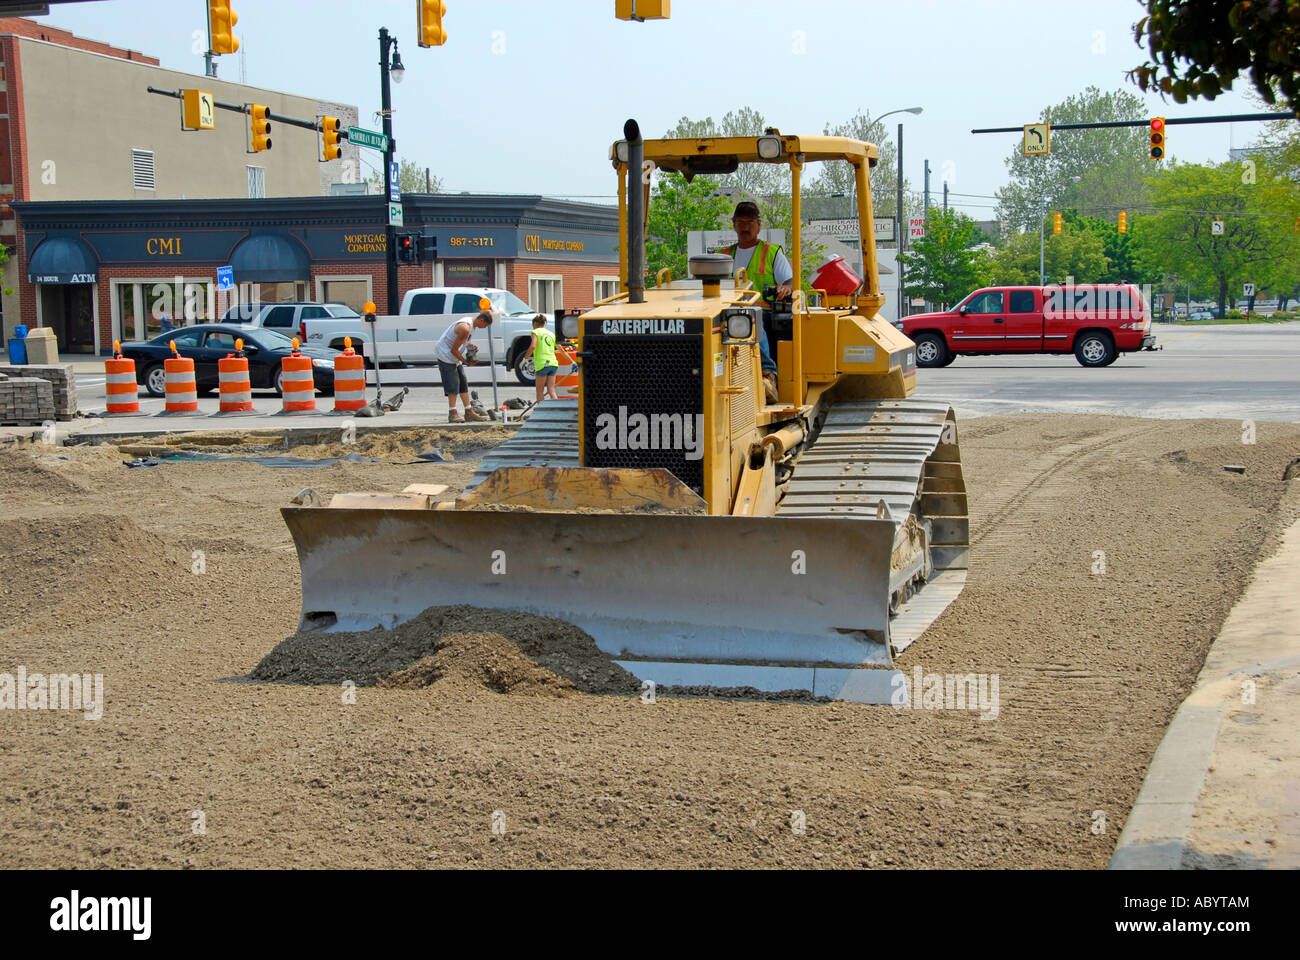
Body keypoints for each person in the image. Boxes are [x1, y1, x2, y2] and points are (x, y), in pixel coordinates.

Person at [721, 201, 793, 403]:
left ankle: (768, 376)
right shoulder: (724, 255)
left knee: (751, 317)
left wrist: (785, 287)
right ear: (734, 225)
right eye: (741, 222)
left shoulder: (771, 252)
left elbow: (790, 280)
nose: (745, 227)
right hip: (727, 313)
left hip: (761, 313)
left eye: (750, 222)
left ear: (759, 225)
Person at [435, 309, 493, 422]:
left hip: (453, 356)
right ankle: (452, 413)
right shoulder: (465, 328)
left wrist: (471, 346)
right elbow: (454, 350)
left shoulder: (471, 325)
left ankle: (468, 412)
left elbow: (463, 341)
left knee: (462, 382)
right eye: (485, 325)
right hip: (445, 355)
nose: (485, 327)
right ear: (481, 320)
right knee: (453, 384)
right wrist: (466, 362)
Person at [523, 315, 559, 403]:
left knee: (540, 391)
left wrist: (525, 359)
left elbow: (533, 346)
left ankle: (542, 413)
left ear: (535, 323)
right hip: (553, 363)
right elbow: (560, 348)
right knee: (551, 390)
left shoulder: (536, 332)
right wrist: (572, 361)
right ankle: (557, 411)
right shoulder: (551, 334)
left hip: (542, 363)